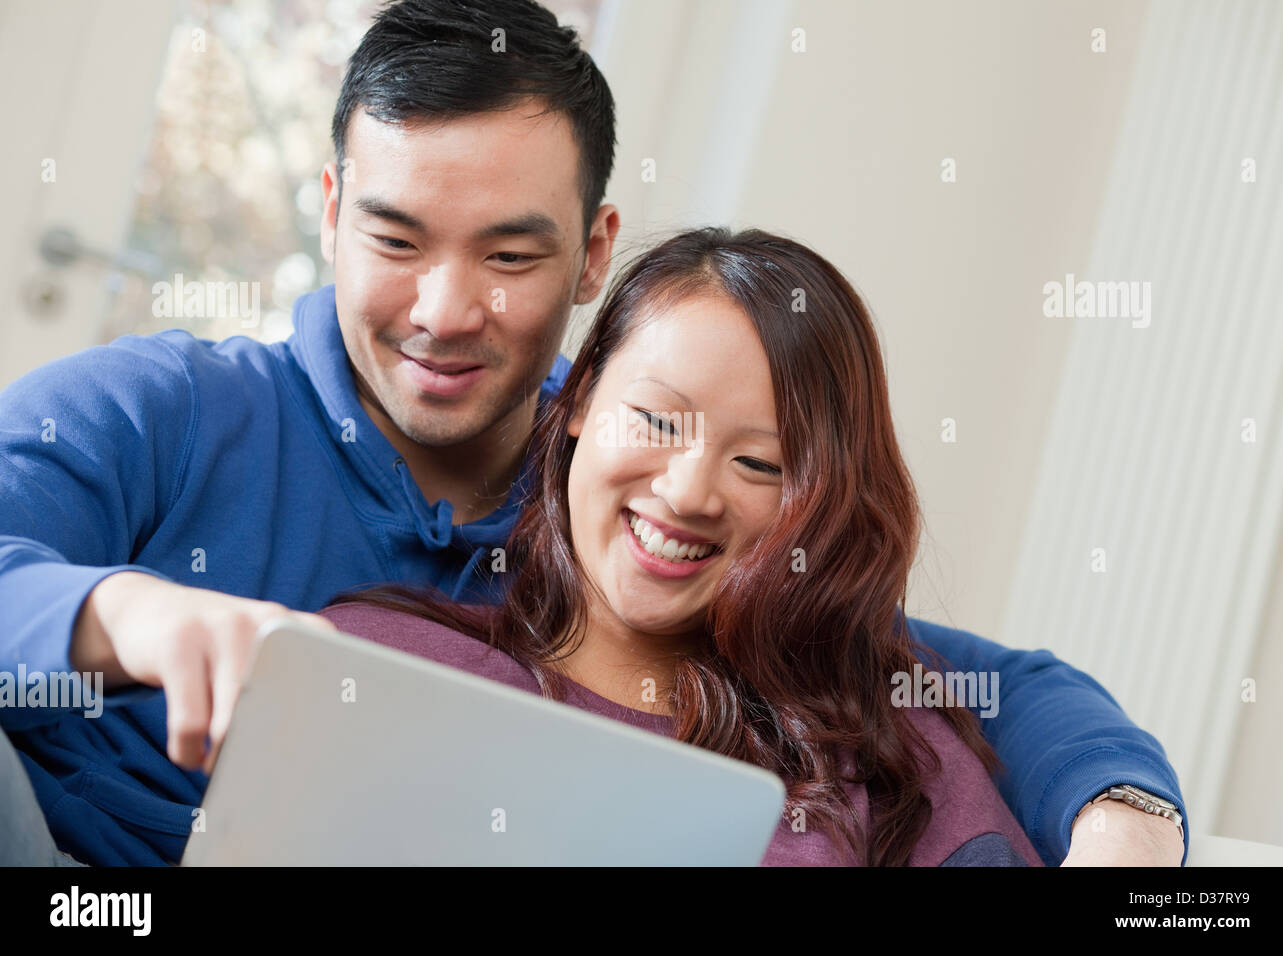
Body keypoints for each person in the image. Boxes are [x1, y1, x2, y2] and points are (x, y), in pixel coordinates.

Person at [0, 0, 1185, 867]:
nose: (445, 311)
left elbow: (984, 678)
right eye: (397, 239)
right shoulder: (162, 409)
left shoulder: (629, 489)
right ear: (328, 211)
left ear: (595, 249)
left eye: (511, 254)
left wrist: (1123, 810)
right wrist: (126, 612)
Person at [325, 226, 1049, 865]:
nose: (688, 493)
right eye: (657, 422)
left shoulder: (891, 770)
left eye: (760, 464)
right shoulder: (371, 662)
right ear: (576, 400)